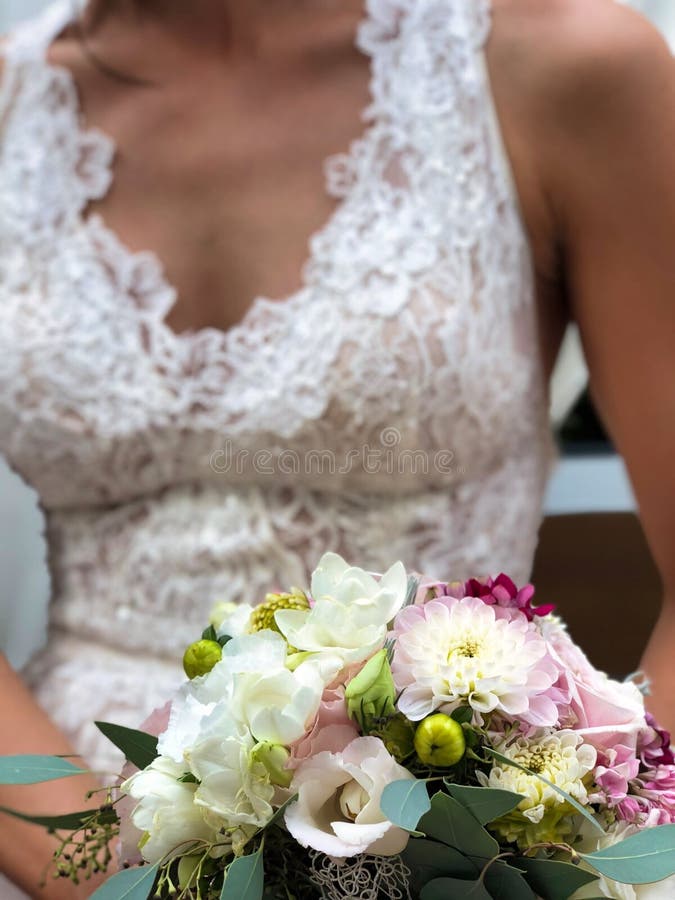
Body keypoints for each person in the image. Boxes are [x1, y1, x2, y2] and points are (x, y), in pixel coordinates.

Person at [0, 0, 674, 896]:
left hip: (451, 849)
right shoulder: (15, 101)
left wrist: (571, 849)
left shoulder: (562, 65)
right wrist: (104, 876)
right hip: (64, 825)